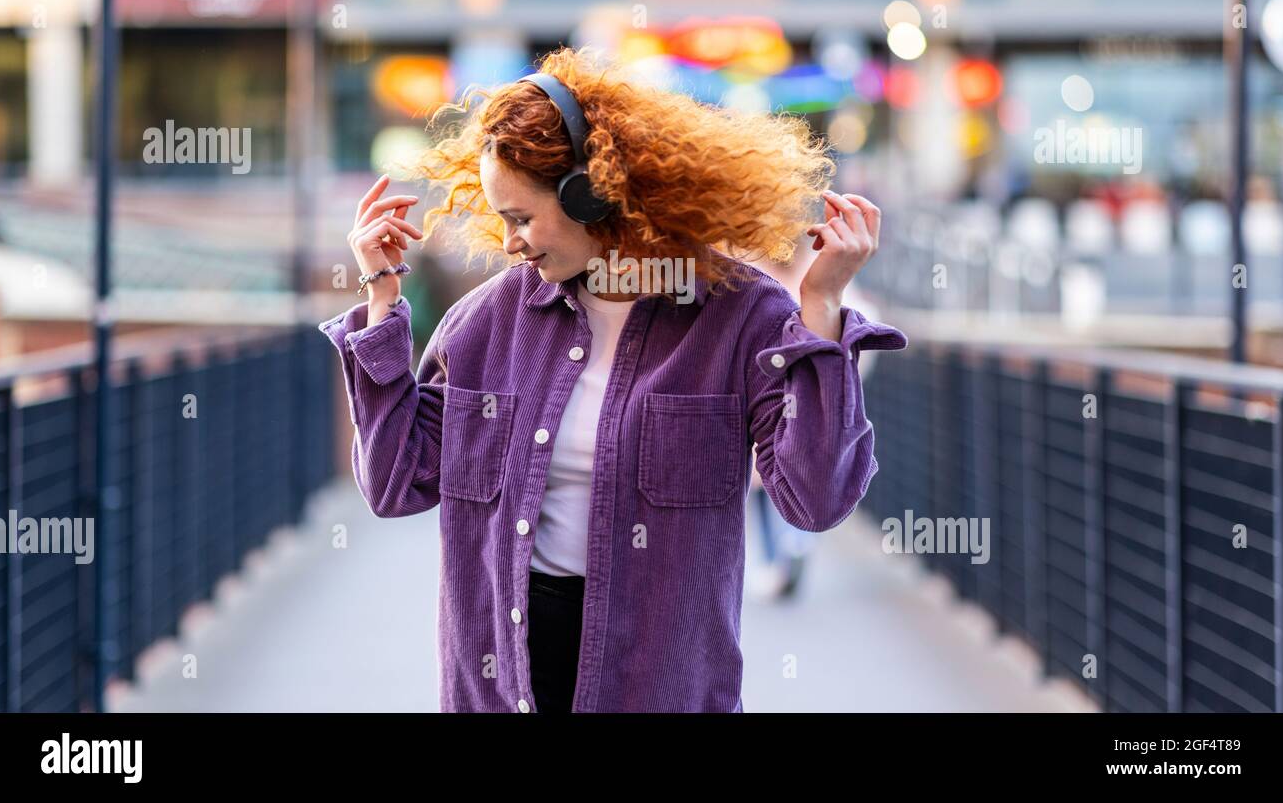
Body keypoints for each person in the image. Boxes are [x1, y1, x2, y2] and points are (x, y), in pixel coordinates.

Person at [318, 45, 908, 713]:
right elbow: (395, 482)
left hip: (658, 688)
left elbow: (817, 498)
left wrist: (823, 310)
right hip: (505, 683)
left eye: (520, 217)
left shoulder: (740, 316)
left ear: (589, 191)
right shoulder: (486, 323)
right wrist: (380, 302)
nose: (509, 241)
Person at [746, 229, 887, 601]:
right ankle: (795, 545)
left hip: (764, 390)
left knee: (765, 477)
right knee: (802, 473)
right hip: (808, 391)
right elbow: (856, 321)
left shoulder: (756, 271)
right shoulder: (817, 271)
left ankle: (779, 556)